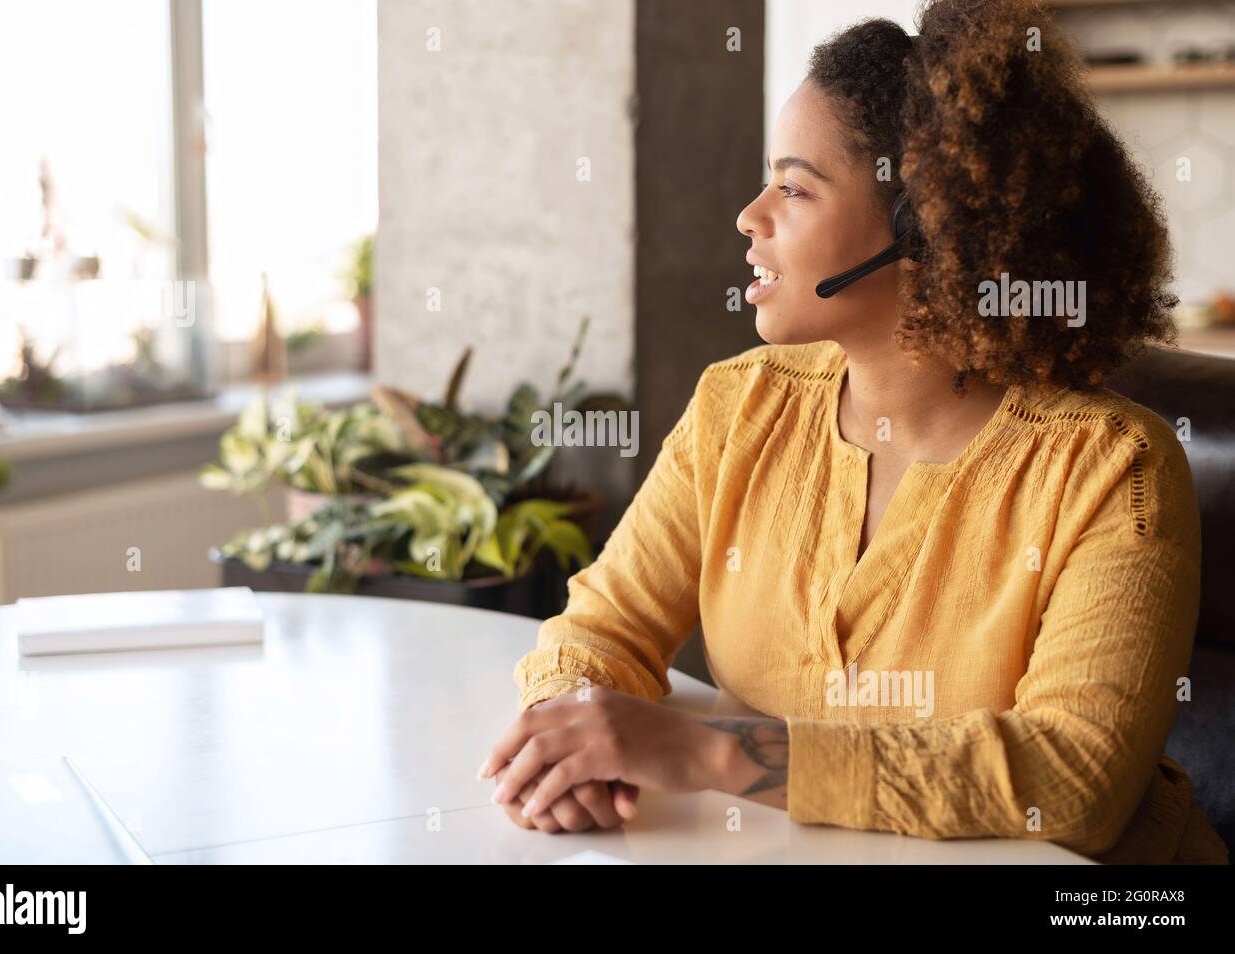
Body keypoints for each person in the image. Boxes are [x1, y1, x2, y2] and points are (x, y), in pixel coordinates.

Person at [477, 0, 1229, 864]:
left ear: (931, 231)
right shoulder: (739, 406)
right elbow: (601, 627)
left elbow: (1073, 777)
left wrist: (710, 753)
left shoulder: (1113, 468)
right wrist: (564, 732)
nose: (750, 216)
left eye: (794, 188)